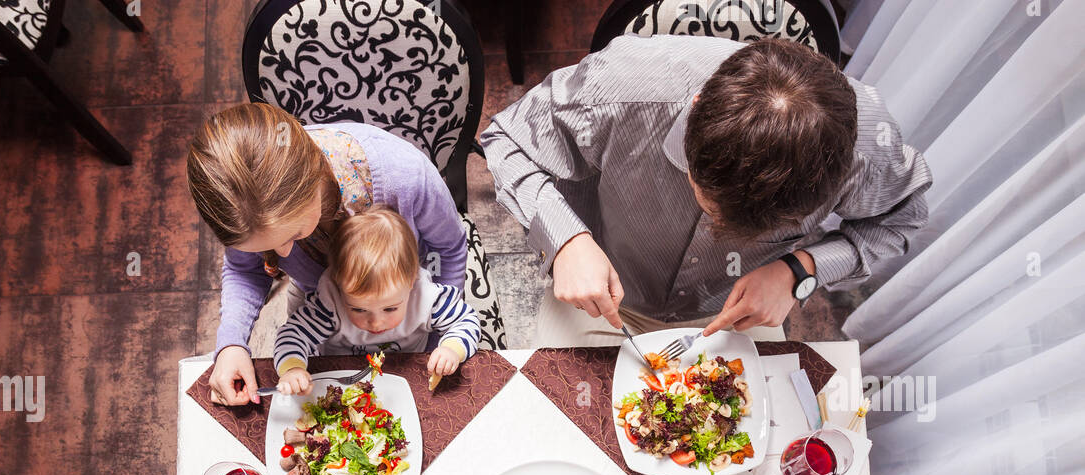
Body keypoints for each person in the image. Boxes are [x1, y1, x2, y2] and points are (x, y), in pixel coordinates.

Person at [481, 36, 932, 346]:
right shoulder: (620, 85)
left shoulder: (870, 151)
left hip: (739, 309)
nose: (719, 228)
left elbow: (902, 221)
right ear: (695, 112)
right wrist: (566, 242)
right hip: (603, 291)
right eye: (705, 198)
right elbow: (507, 138)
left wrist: (799, 269)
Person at [187, 103, 469, 405]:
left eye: (294, 235)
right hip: (321, 310)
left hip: (404, 294)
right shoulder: (244, 203)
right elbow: (245, 270)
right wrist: (232, 344)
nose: (283, 256)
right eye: (264, 249)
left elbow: (448, 250)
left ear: (314, 185)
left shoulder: (405, 174)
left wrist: (440, 341)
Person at [272, 208, 481, 394]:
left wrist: (452, 349)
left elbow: (467, 321)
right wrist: (293, 368)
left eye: (390, 308)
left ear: (410, 283)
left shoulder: (425, 297)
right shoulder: (331, 303)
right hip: (342, 382)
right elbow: (292, 334)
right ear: (339, 285)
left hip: (406, 377)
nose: (376, 322)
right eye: (359, 309)